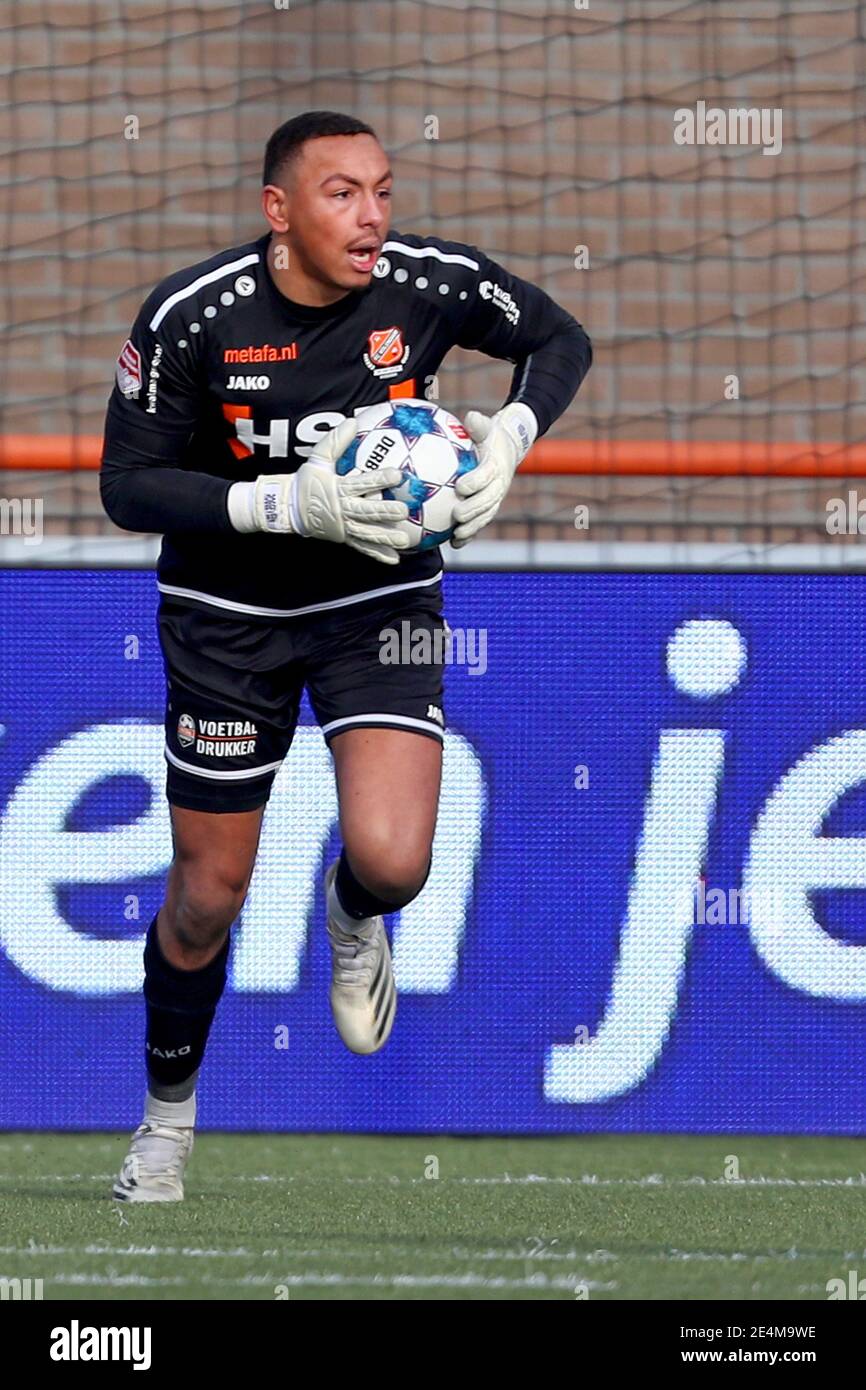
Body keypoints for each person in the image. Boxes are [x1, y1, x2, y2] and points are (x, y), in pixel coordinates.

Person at [100, 109, 592, 1201]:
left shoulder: (426, 285)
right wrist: (283, 500)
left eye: (380, 189)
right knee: (204, 898)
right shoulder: (195, 317)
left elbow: (560, 340)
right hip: (226, 619)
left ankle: (352, 916)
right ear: (278, 211)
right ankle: (164, 1129)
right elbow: (126, 484)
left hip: (378, 601)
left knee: (394, 859)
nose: (370, 215)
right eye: (339, 194)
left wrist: (509, 435)